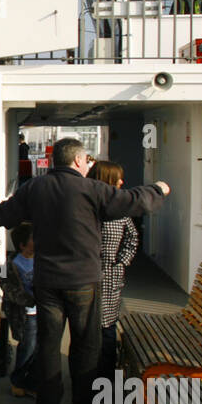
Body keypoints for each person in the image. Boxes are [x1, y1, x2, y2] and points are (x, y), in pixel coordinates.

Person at [0, 138, 169, 404]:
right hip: (83, 281)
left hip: (47, 281)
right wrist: (159, 189)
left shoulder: (35, 187)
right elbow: (133, 201)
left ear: (56, 161)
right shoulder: (93, 189)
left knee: (49, 344)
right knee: (86, 343)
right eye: (87, 161)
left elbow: (6, 214)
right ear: (79, 161)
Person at [87, 160, 140, 384]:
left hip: (109, 275)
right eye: (117, 178)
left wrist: (121, 262)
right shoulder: (90, 208)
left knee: (106, 328)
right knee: (91, 329)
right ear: (107, 180)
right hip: (89, 274)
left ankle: (104, 379)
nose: (121, 182)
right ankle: (94, 380)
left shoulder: (120, 210)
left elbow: (132, 238)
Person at [0, 222, 38, 397]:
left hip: (41, 311)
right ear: (22, 245)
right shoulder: (12, 263)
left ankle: (30, 381)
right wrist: (29, 300)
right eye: (33, 239)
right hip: (27, 314)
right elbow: (2, 282)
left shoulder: (42, 258)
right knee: (27, 347)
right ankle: (18, 381)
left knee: (37, 348)